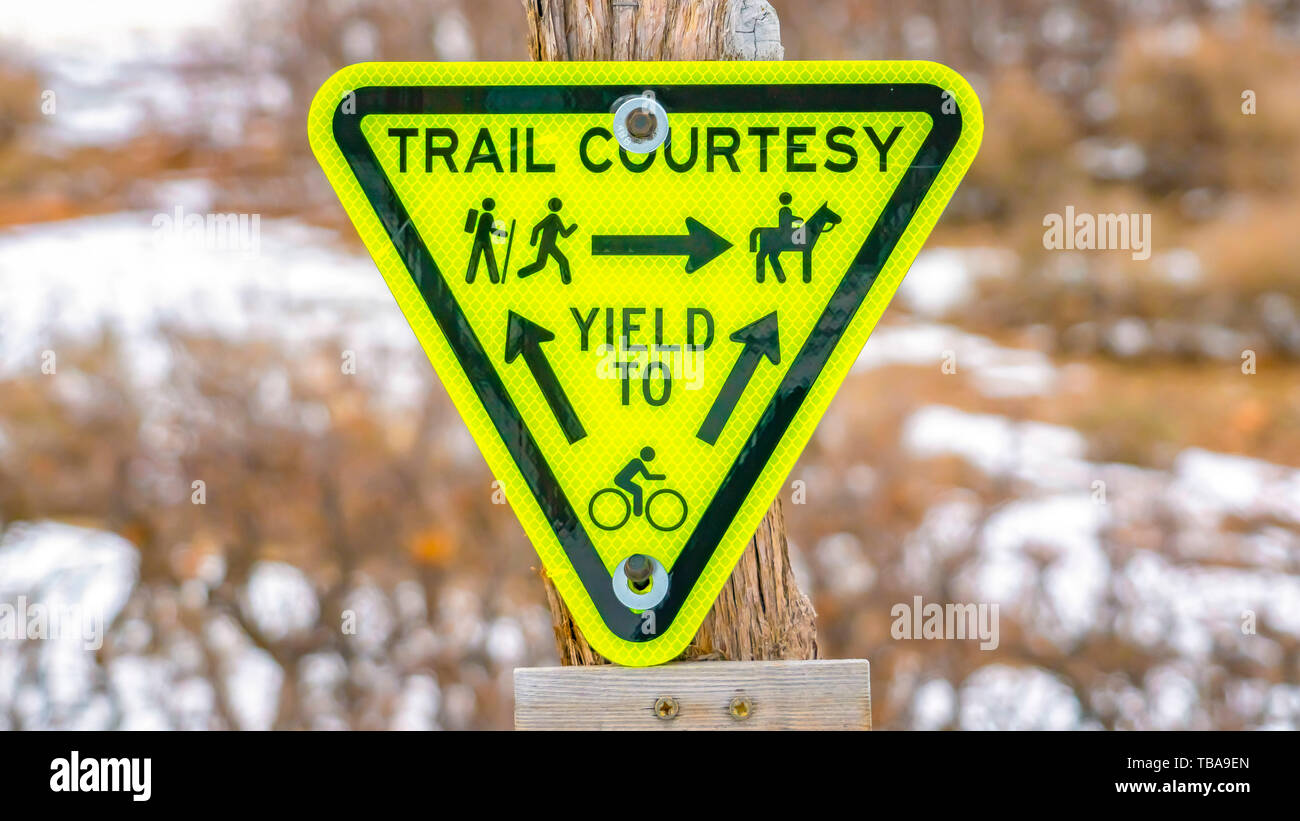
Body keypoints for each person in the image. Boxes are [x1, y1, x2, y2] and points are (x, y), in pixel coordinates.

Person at [517, 197, 578, 284]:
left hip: (548, 245)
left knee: (542, 263)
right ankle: (522, 273)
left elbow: (536, 229)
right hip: (549, 245)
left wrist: (533, 241)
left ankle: (522, 273)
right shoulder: (554, 218)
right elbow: (564, 234)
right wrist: (574, 227)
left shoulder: (553, 218)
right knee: (560, 261)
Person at [614, 447, 665, 517]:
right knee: (638, 490)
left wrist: (660, 477)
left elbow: (647, 476)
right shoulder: (638, 462)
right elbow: (647, 476)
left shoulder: (637, 461)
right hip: (621, 480)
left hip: (622, 480)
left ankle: (637, 512)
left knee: (638, 489)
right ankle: (637, 512)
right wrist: (661, 477)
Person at [465, 198, 502, 283]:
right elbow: (493, 231)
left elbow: (469, 229)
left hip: (479, 239)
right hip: (484, 240)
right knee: (489, 258)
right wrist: (503, 234)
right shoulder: (488, 216)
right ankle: (494, 278)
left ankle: (469, 278)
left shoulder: (483, 215)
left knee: (475, 258)